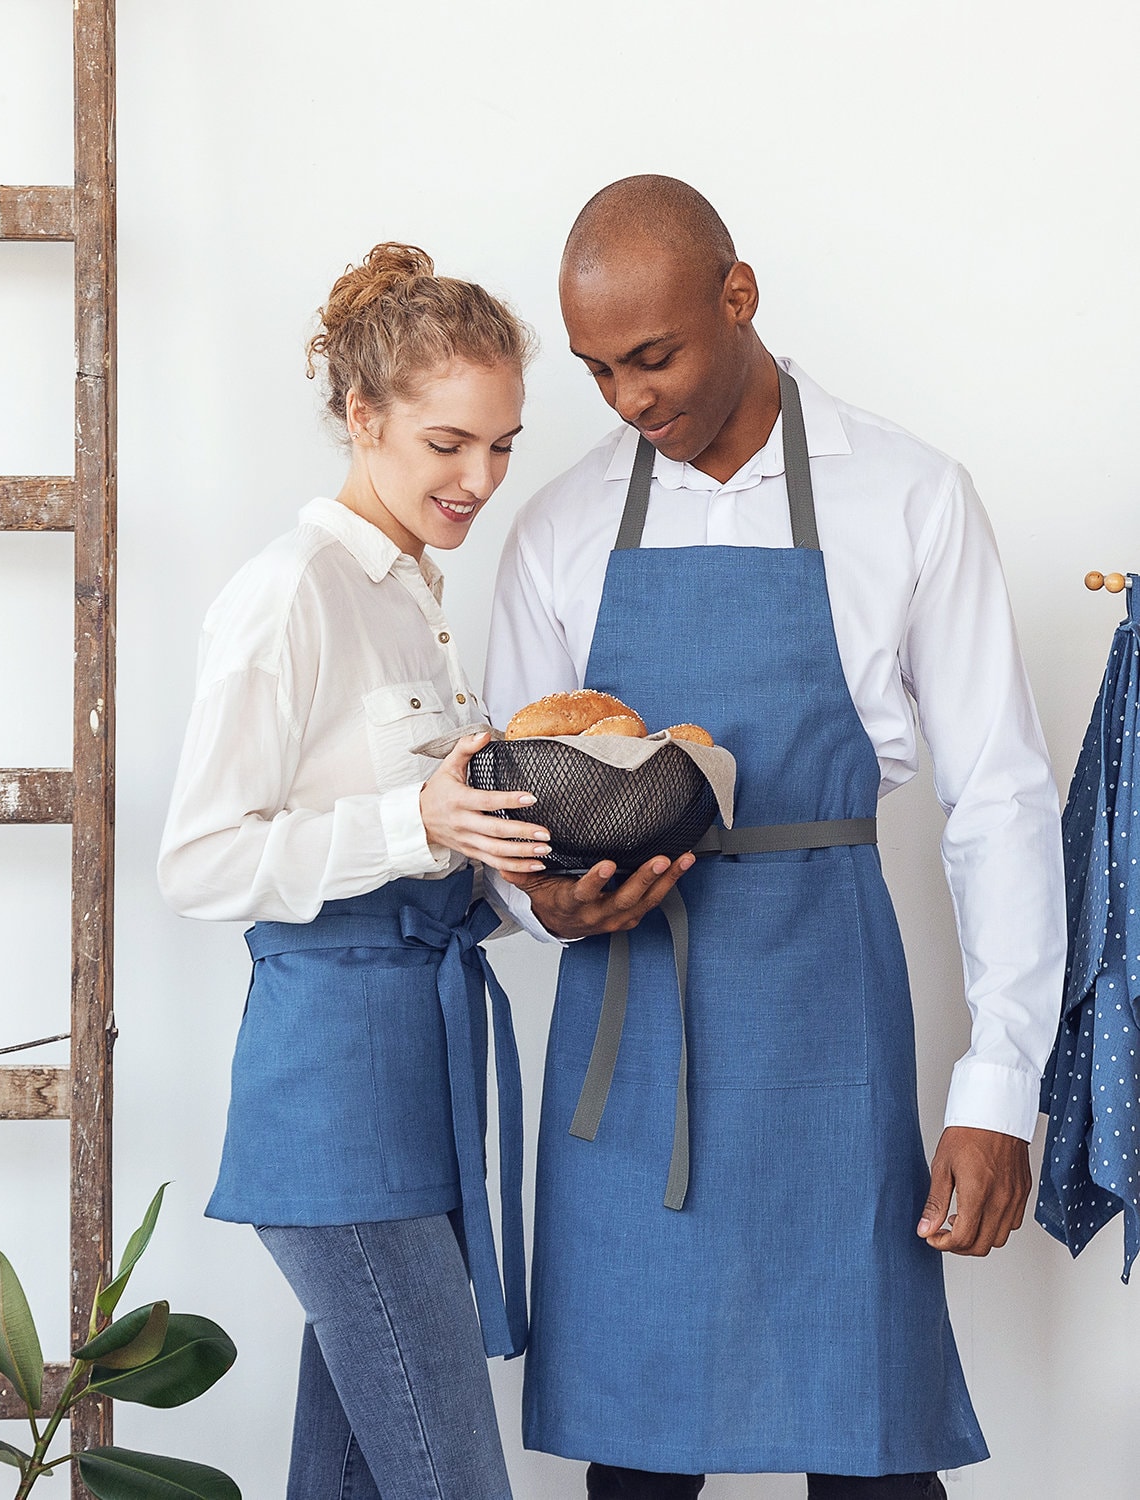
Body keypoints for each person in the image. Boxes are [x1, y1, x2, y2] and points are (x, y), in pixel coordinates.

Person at [483, 177, 1065, 1499]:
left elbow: (1000, 800)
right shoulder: (562, 529)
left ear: (737, 298)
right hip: (627, 1045)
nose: (630, 398)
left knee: (869, 1449)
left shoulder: (912, 496)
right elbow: (509, 812)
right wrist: (544, 909)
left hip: (828, 1024)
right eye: (596, 371)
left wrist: (998, 1087)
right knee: (635, 1466)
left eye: (655, 356)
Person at [159, 243, 542, 1500]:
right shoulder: (290, 594)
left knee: (356, 1481)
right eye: (447, 444)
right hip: (330, 1093)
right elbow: (201, 859)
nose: (478, 479)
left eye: (501, 444)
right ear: (361, 416)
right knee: (450, 1478)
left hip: (420, 1080)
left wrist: (534, 872)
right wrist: (414, 827)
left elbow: (434, 833)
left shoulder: (416, 598)